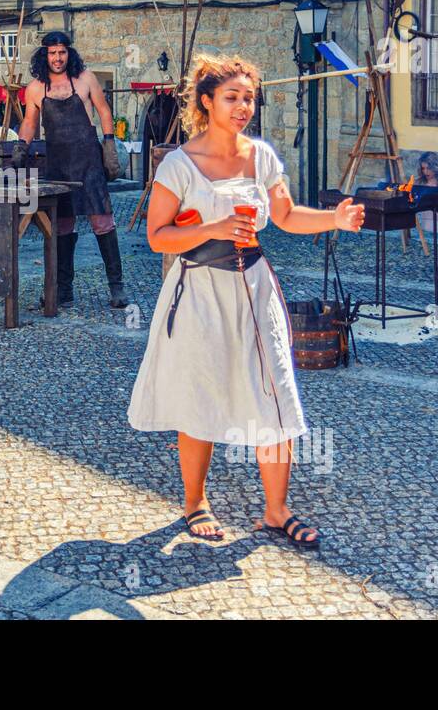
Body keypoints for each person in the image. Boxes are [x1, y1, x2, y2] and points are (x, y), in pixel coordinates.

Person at [127, 54, 364, 549]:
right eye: (232, 97)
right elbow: (157, 236)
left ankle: (276, 511)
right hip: (199, 290)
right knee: (201, 395)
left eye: (249, 98)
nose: (242, 107)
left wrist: (333, 220)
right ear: (207, 102)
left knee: (274, 390)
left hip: (253, 288)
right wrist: (213, 227)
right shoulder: (180, 164)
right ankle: (195, 503)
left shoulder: (261, 157)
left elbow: (286, 215)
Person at [14, 31, 127, 308]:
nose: (57, 58)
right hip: (58, 164)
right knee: (62, 225)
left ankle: (117, 287)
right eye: (52, 53)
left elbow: (103, 110)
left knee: (102, 221)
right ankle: (63, 289)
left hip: (88, 160)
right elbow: (30, 122)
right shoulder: (35, 88)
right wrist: (20, 146)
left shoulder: (85, 79)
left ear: (69, 53)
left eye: (62, 52)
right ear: (45, 55)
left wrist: (109, 144)